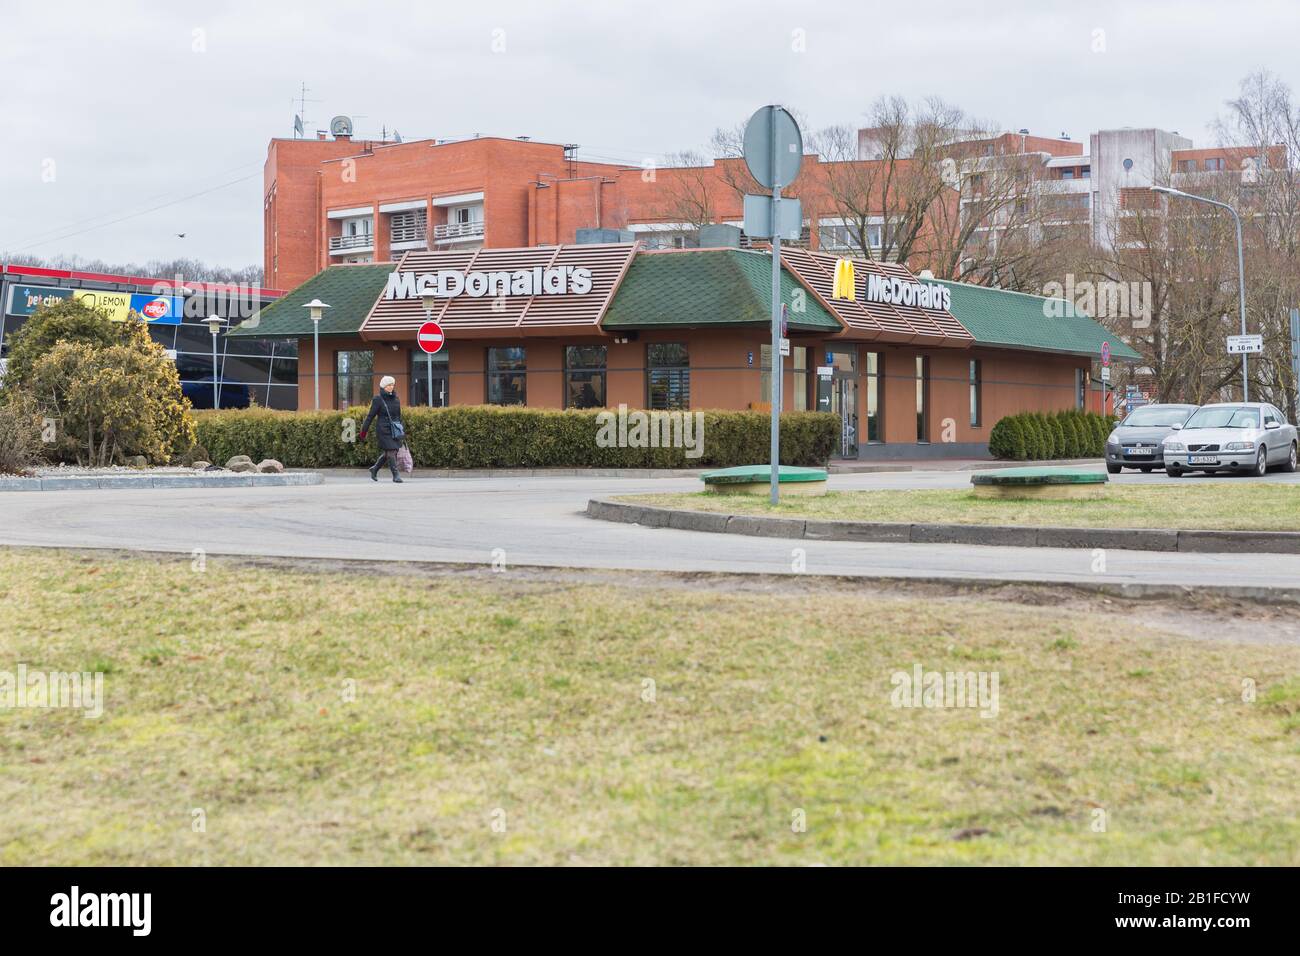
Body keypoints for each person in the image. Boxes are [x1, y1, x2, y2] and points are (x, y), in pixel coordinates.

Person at [358, 376, 404, 483]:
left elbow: (398, 416)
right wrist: (363, 431)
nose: (391, 387)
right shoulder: (378, 399)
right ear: (383, 386)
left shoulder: (396, 399)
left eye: (392, 384)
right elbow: (370, 416)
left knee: (392, 450)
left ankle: (374, 469)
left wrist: (401, 429)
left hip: (394, 429)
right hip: (383, 429)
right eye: (389, 385)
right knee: (391, 450)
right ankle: (395, 475)